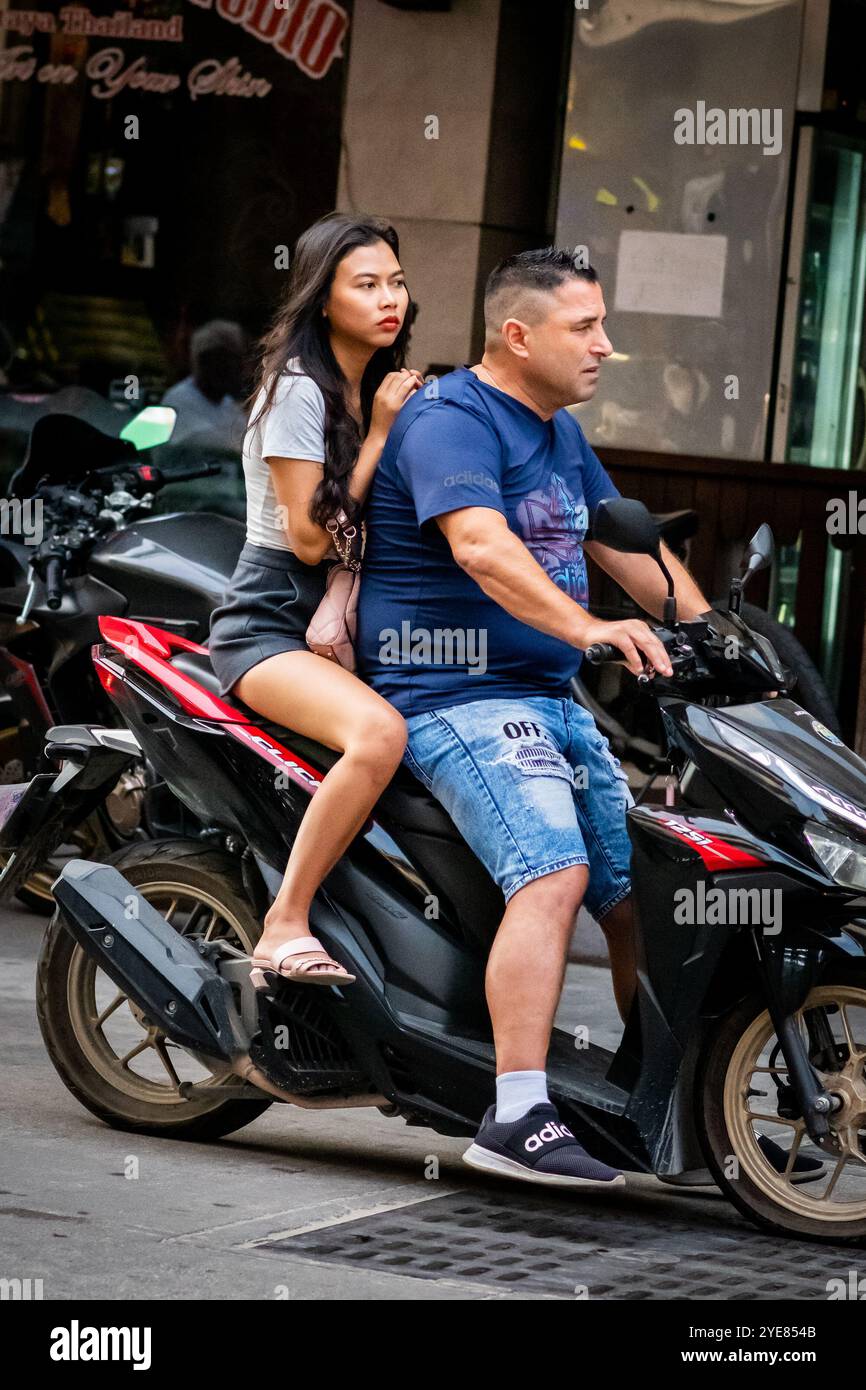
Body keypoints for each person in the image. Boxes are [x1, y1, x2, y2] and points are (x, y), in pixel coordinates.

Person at [356, 246, 711, 1187]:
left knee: (642, 886)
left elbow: (631, 551)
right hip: (455, 697)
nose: (606, 345)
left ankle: (661, 1095)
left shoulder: (557, 432)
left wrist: (721, 642)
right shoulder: (451, 422)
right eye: (584, 327)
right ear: (518, 335)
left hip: (549, 696)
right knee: (554, 869)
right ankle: (514, 1112)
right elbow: (480, 548)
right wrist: (592, 626)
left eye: (603, 324)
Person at [208, 213, 422, 985]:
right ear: (322, 300)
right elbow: (306, 538)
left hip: (352, 620)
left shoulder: (373, 388)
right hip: (269, 622)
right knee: (377, 735)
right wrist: (380, 438)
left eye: (395, 281)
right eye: (365, 284)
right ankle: (284, 920)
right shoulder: (300, 391)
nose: (388, 298)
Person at [162, 320, 249, 450]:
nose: (238, 369)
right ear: (205, 361)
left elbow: (249, 443)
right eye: (227, 361)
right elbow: (212, 443)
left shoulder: (227, 404)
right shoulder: (178, 400)